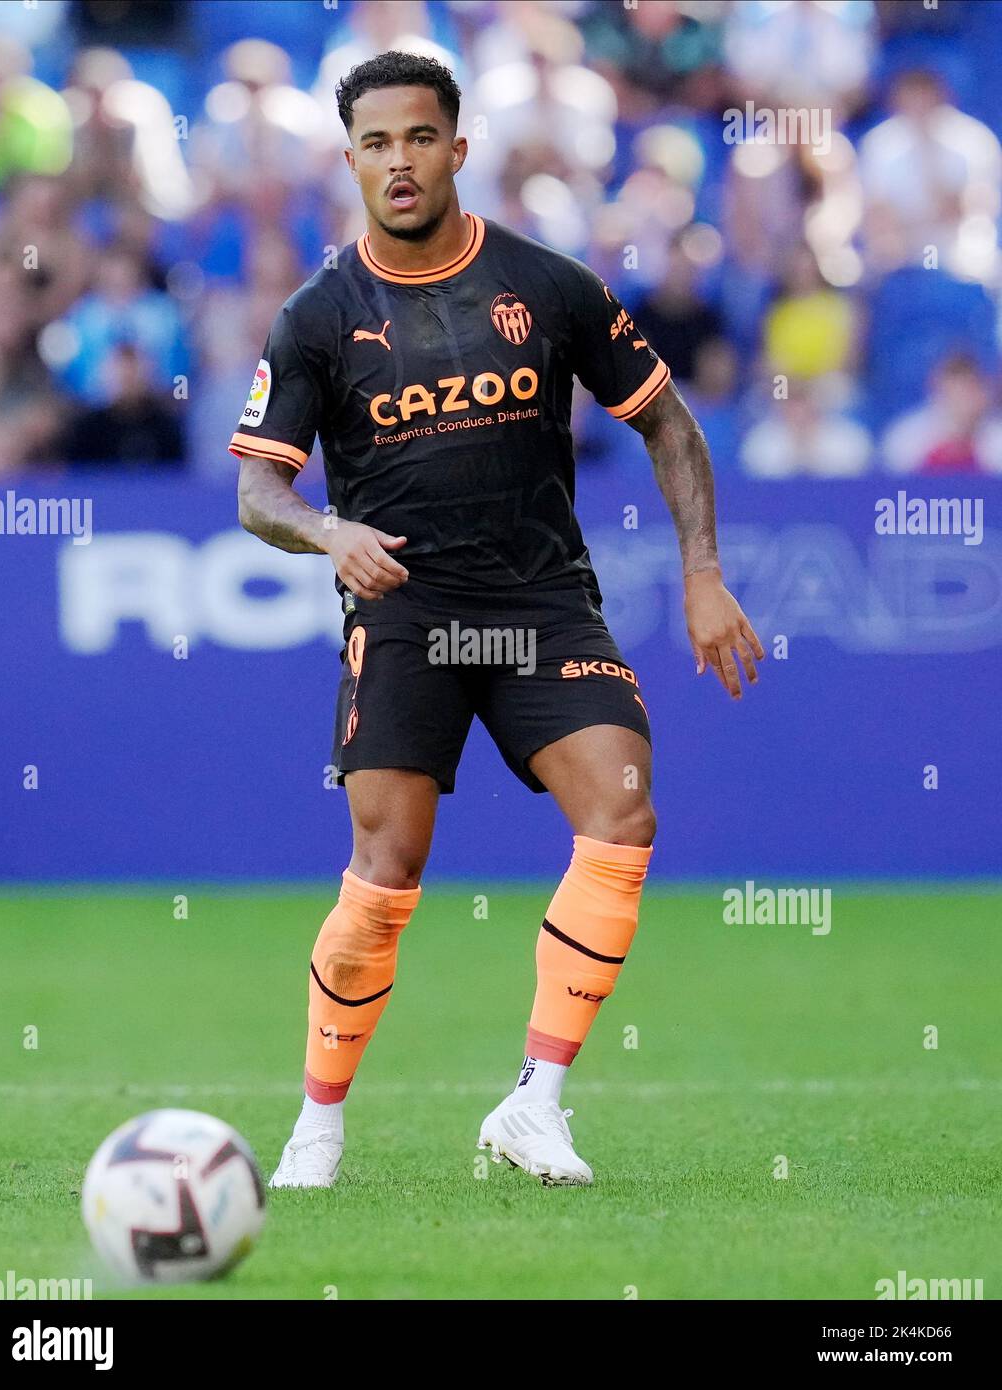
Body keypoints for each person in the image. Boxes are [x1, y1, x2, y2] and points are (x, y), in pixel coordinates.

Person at [232, 52, 763, 1190]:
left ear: (458, 149)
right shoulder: (317, 316)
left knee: (622, 814)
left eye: (419, 138)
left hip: (539, 605)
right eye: (376, 144)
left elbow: (667, 422)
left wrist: (701, 572)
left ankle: (536, 1102)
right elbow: (258, 492)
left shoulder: (548, 285)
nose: (399, 162)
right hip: (405, 613)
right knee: (386, 870)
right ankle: (318, 1123)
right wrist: (329, 532)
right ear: (349, 161)